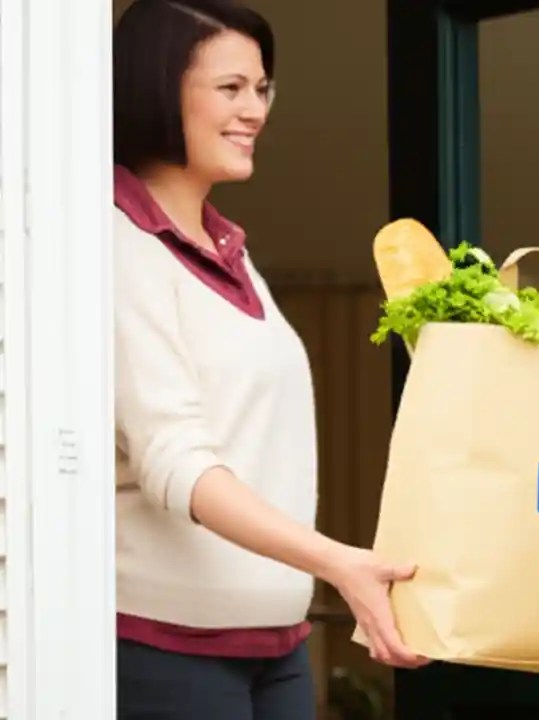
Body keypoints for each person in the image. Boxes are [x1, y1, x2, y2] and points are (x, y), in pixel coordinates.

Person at [112, 1, 427, 717]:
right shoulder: (119, 242)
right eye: (230, 88)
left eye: (262, 89)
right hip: (168, 649)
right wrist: (335, 561)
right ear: (157, 88)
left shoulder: (229, 249)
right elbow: (175, 459)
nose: (254, 111)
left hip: (277, 643)